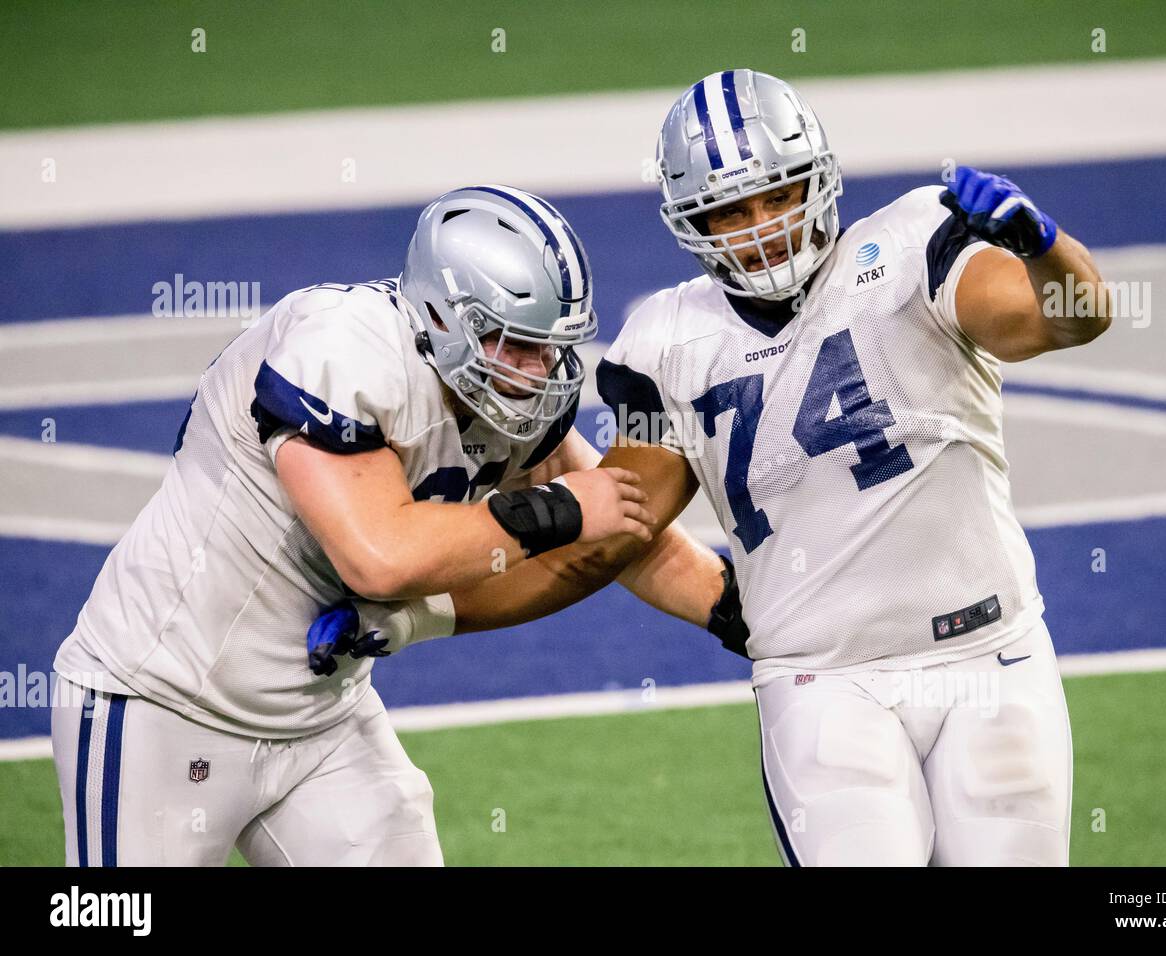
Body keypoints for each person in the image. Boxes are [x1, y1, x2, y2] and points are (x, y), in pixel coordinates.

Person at [354, 70, 1112, 866]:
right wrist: (421, 614)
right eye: (733, 208)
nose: (763, 226)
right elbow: (613, 532)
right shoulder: (664, 343)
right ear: (691, 220)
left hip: (989, 654)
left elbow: (1066, 322)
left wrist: (1046, 249)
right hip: (824, 682)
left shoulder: (916, 244)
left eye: (780, 195)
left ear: (818, 180)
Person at [50, 184, 732, 866]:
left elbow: (619, 530)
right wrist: (559, 509)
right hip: (162, 703)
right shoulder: (342, 351)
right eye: (515, 344)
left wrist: (740, 611)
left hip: (321, 721)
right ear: (443, 317)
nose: (536, 373)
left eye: (549, 348)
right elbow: (378, 559)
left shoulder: (510, 392)